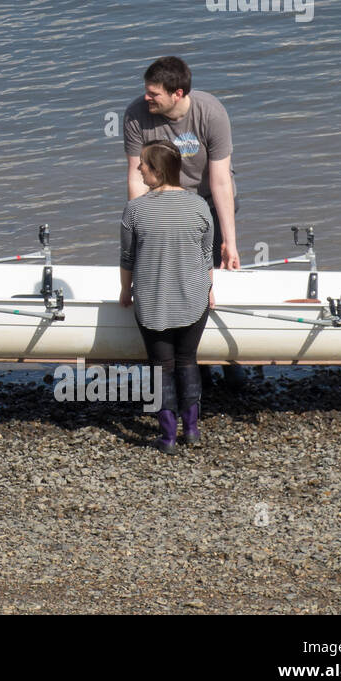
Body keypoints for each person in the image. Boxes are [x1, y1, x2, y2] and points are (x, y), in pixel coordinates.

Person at [123, 55, 246, 389]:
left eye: (154, 94)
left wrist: (229, 241)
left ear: (177, 93)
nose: (146, 98)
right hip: (163, 200)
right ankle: (195, 364)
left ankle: (230, 359)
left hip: (205, 201)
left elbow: (221, 181)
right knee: (169, 274)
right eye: (146, 92)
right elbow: (137, 176)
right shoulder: (136, 115)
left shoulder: (211, 112)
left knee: (213, 277)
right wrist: (139, 222)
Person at [120, 141, 215, 454]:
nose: (138, 169)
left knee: (161, 365)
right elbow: (206, 254)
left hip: (152, 302)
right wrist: (209, 289)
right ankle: (192, 430)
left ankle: (168, 436)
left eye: (143, 165)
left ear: (158, 171)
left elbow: (127, 258)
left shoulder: (135, 209)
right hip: (194, 299)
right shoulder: (200, 206)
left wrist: (124, 291)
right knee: (188, 361)